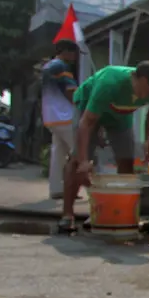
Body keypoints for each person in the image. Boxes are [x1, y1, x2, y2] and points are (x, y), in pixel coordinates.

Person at [59, 62, 149, 231]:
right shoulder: (110, 82)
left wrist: (147, 140)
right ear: (139, 78)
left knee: (126, 163)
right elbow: (87, 123)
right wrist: (83, 161)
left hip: (121, 115)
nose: (148, 96)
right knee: (77, 163)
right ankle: (67, 215)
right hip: (87, 109)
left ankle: (117, 213)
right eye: (147, 90)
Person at [41, 39, 82, 200]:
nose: (75, 56)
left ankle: (56, 188)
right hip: (65, 115)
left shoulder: (48, 67)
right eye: (73, 52)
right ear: (65, 51)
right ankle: (76, 188)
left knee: (58, 153)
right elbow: (71, 91)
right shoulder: (61, 67)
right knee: (79, 153)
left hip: (51, 116)